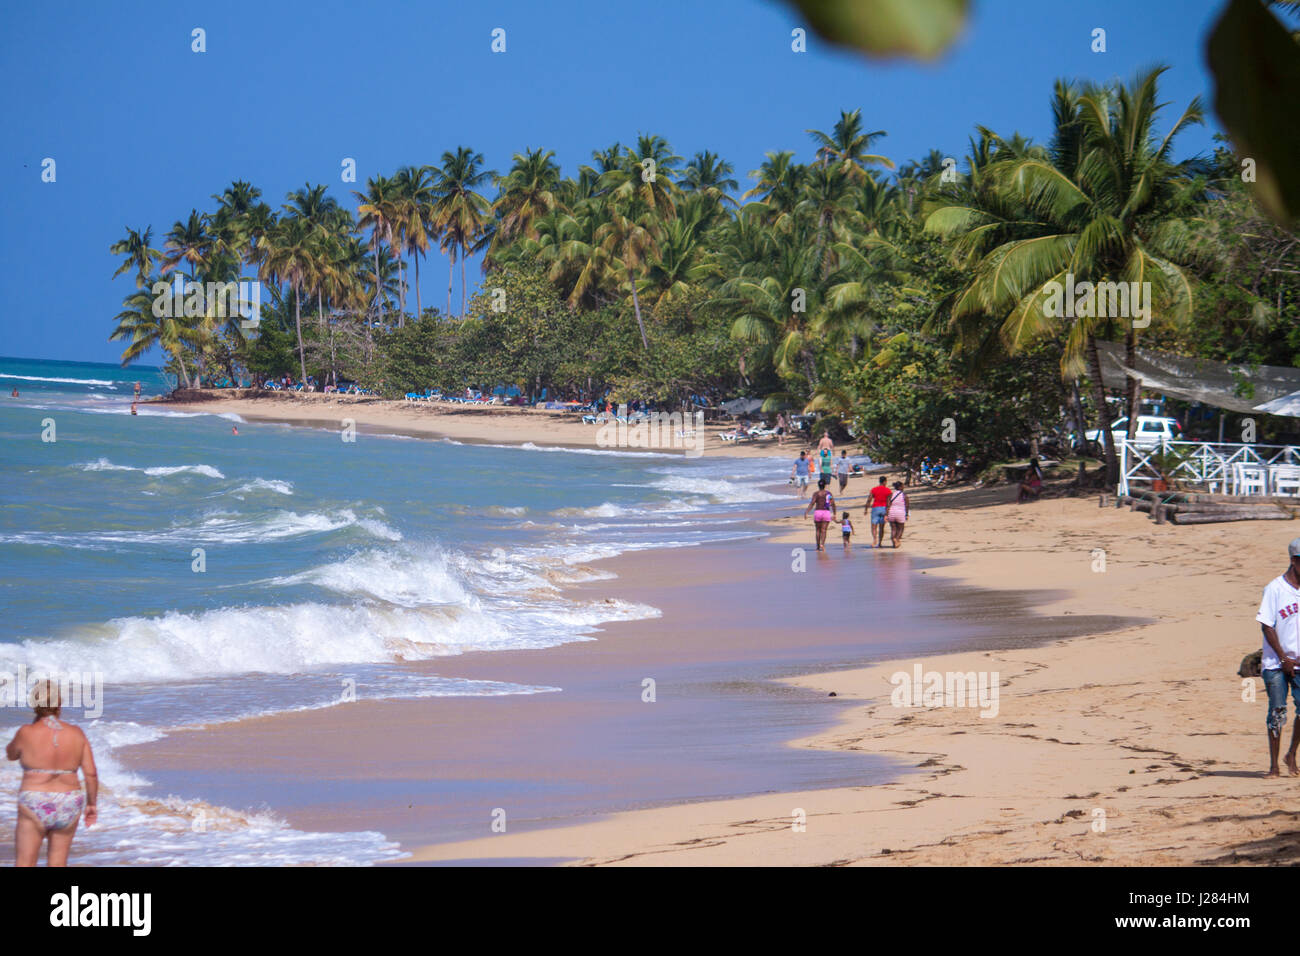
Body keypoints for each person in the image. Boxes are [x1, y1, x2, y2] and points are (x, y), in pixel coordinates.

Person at [5, 680, 98, 866]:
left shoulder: (26, 732)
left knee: (25, 862)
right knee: (57, 862)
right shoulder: (76, 733)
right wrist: (91, 805)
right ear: (59, 704)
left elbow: (11, 754)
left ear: (34, 704)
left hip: (34, 800)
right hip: (69, 801)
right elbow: (91, 774)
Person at [1257, 539, 1300, 776]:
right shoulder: (1274, 589)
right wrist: (1283, 659)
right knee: (1277, 712)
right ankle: (1274, 766)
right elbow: (1266, 625)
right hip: (1276, 663)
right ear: (1294, 561)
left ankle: (1291, 753)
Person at [804, 479, 836, 552]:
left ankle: (817, 547)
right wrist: (834, 513)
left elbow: (812, 503)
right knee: (824, 530)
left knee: (818, 530)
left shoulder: (816, 493)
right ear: (825, 485)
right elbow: (833, 504)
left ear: (818, 485)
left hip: (818, 512)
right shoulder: (828, 493)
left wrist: (806, 512)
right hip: (826, 512)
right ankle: (822, 544)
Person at [865, 476, 891, 549]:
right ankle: (880, 542)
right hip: (884, 508)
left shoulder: (874, 489)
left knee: (874, 526)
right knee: (881, 527)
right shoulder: (888, 490)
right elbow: (889, 502)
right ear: (885, 481)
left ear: (879, 481)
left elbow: (869, 499)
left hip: (875, 508)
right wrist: (888, 511)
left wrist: (866, 509)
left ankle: (874, 539)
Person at [886, 481, 909, 548]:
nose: (903, 487)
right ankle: (897, 539)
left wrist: (886, 514)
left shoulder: (891, 495)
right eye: (902, 486)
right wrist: (906, 514)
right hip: (900, 513)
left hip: (892, 513)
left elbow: (888, 505)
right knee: (901, 528)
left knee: (893, 529)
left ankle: (894, 541)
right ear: (900, 487)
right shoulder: (904, 495)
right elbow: (907, 505)